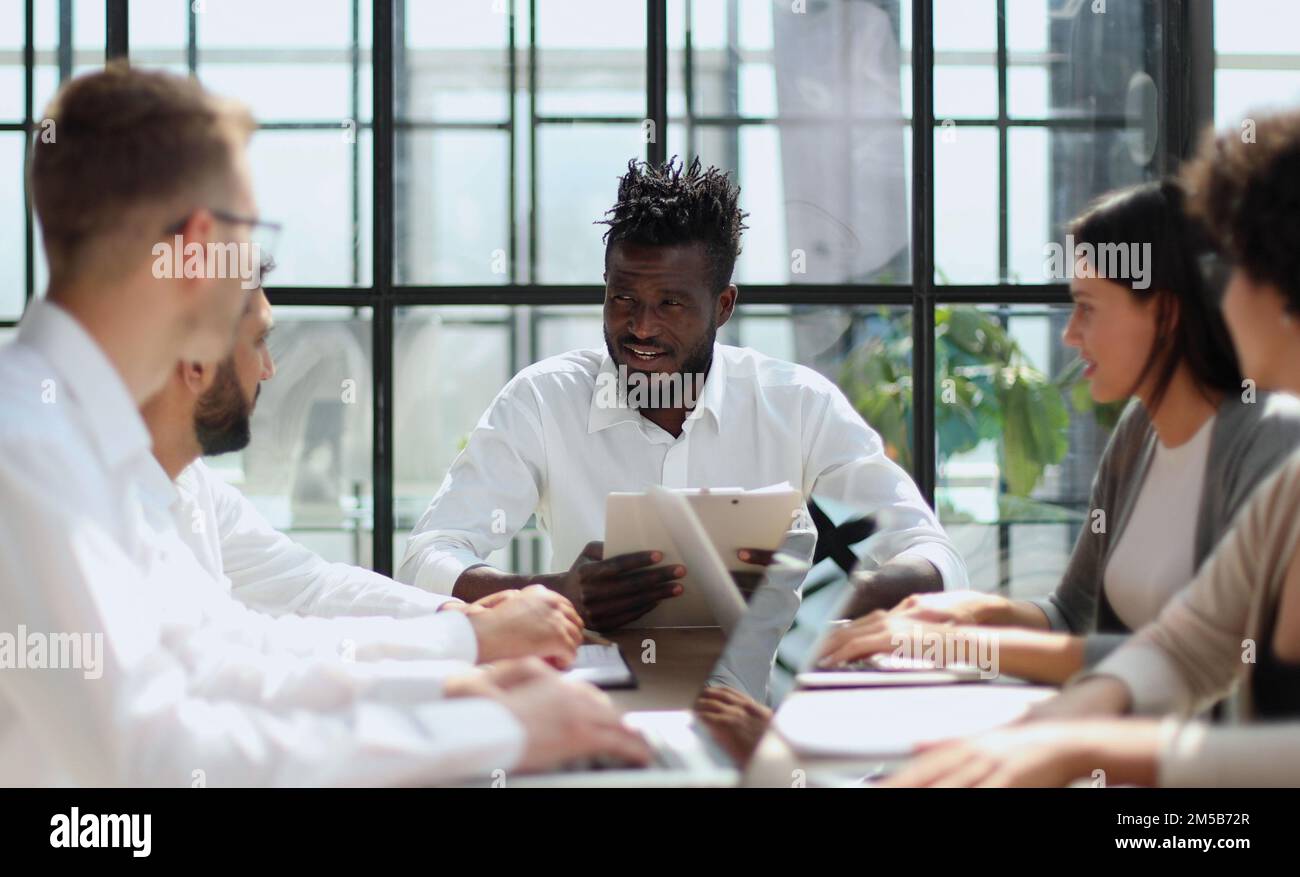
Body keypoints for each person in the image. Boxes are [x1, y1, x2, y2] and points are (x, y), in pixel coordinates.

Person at [0, 66, 648, 786]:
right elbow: (153, 754)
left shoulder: (99, 445)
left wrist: (450, 681)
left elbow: (230, 658)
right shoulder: (27, 450)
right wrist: (484, 725)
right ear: (197, 247)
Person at [397, 156, 968, 697]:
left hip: (757, 727)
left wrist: (820, 605)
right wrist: (553, 592)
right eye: (623, 297)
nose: (640, 327)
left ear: (723, 305)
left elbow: (931, 556)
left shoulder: (798, 406)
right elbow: (427, 558)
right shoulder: (542, 400)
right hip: (594, 724)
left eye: (671, 303)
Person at [881, 109, 1300, 787]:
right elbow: (1187, 648)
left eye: (1240, 267)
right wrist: (1043, 726)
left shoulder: (1273, 441)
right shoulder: (1272, 482)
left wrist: (1071, 744)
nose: (1222, 290)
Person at [817, 179, 1300, 685]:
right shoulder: (1140, 433)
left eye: (1088, 308)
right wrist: (968, 612)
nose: (1070, 334)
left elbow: (1210, 664)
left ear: (1165, 313)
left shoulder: (1267, 441)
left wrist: (964, 642)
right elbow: (1072, 616)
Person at [139, 276, 585, 670]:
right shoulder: (107, 508)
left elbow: (311, 588)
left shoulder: (194, 484)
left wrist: (461, 616)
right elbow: (235, 654)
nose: (269, 369)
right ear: (198, 360)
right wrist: (471, 639)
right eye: (258, 342)